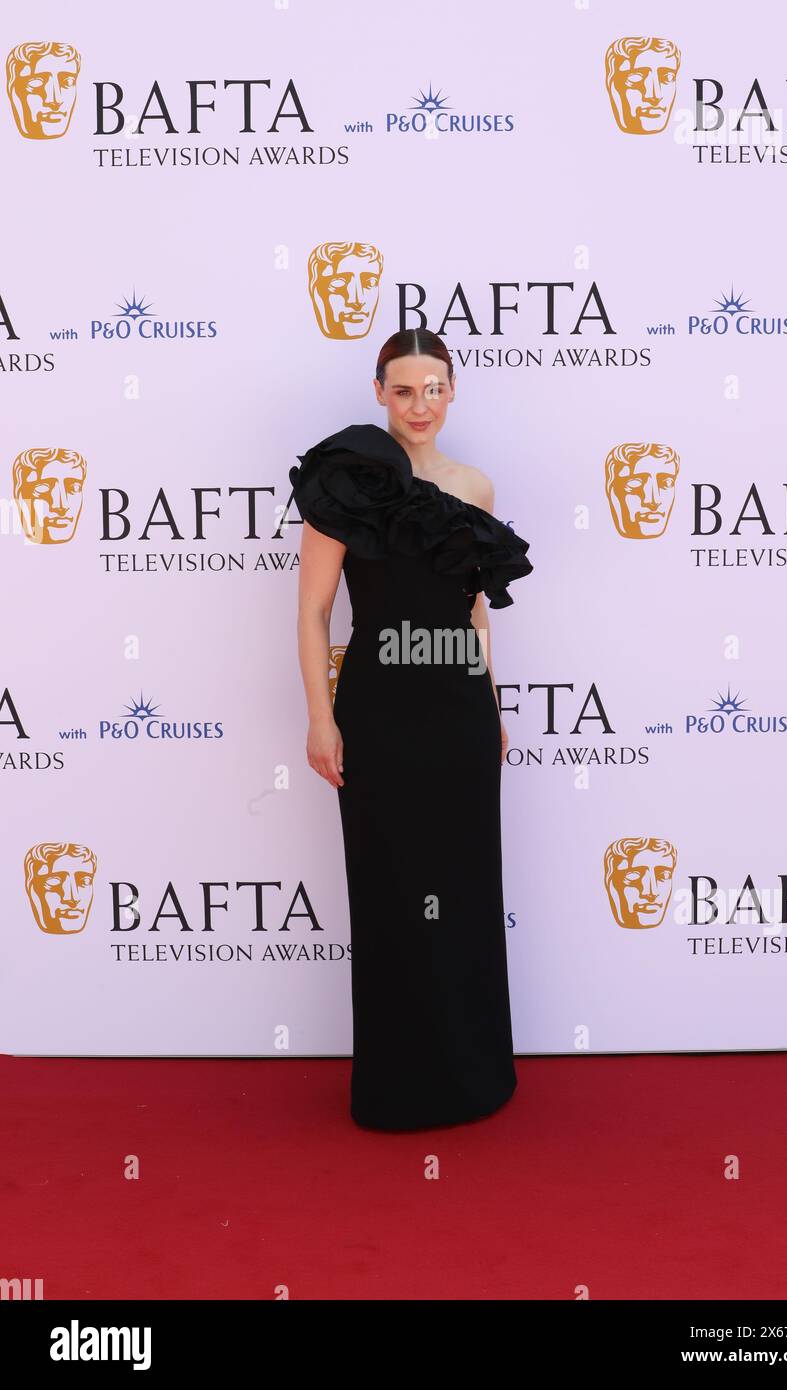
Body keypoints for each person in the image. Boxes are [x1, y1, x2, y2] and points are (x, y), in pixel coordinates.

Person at [290, 328, 533, 1130]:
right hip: (381, 708)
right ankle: (400, 1084)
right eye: (403, 390)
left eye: (433, 389)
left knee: (462, 889)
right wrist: (320, 718)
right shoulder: (346, 485)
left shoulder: (476, 487)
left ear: (453, 391)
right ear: (378, 392)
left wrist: (491, 705)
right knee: (393, 887)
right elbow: (316, 611)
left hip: (457, 708)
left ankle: (473, 1075)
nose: (419, 405)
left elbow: (472, 610)